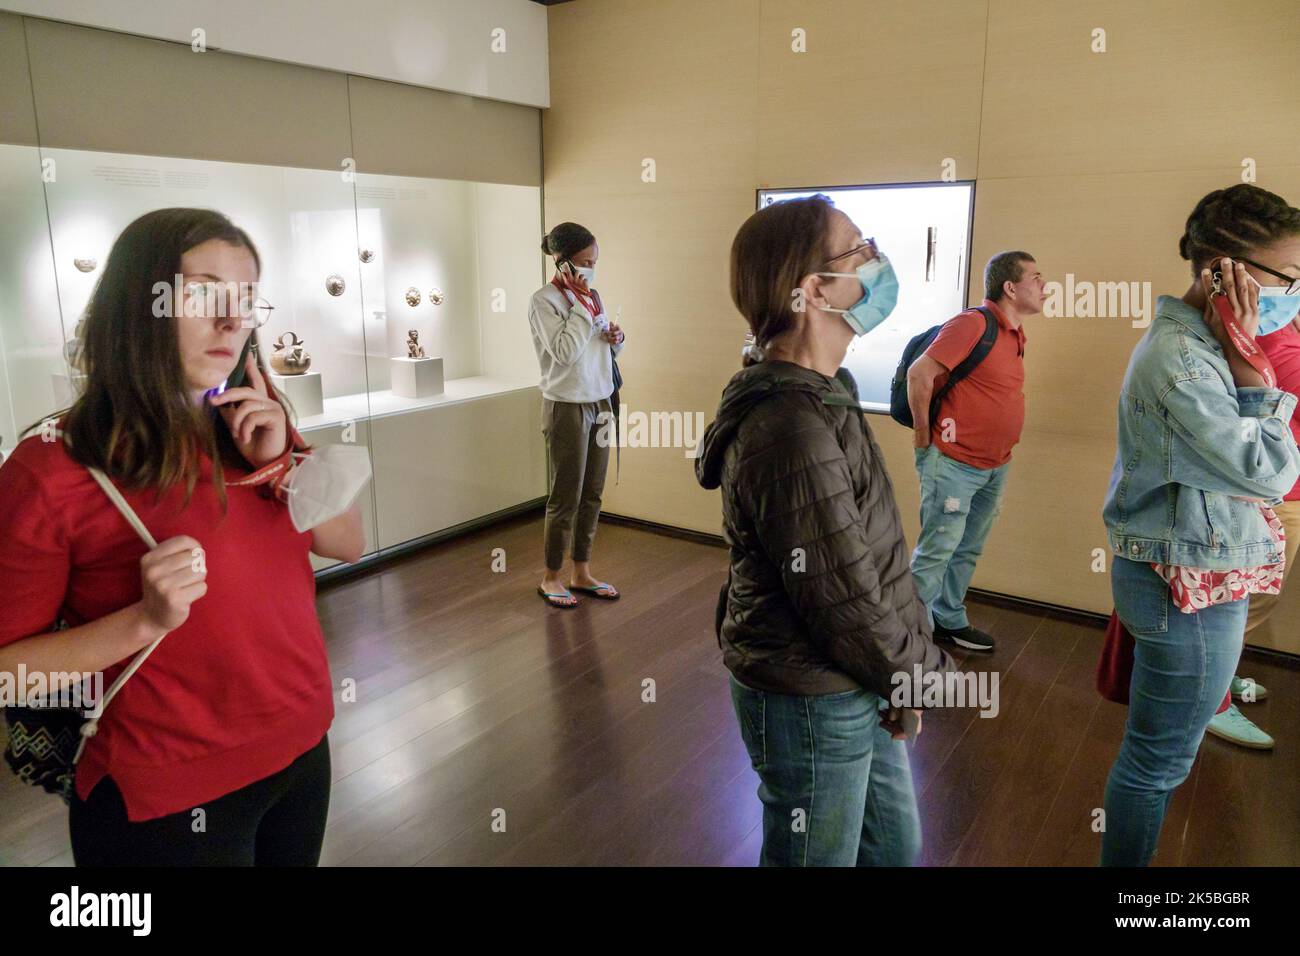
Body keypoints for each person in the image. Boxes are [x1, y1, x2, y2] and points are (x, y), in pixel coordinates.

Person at [0, 207, 366, 865]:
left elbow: (348, 543)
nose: (232, 321)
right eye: (202, 294)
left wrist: (282, 463)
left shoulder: (252, 423)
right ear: (138, 305)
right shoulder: (54, 467)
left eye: (246, 300)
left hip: (302, 747)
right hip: (163, 790)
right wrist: (143, 621)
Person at [696, 194, 955, 866]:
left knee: (892, 848)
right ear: (813, 290)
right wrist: (924, 678)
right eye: (861, 249)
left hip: (854, 670)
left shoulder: (827, 387)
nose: (877, 260)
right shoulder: (789, 426)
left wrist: (897, 676)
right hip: (810, 693)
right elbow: (841, 598)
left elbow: (869, 557)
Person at [1100, 183, 1300, 866]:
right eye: (1288, 278)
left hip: (1200, 573)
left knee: (1160, 756)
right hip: (1185, 588)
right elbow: (1269, 471)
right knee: (1156, 763)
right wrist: (1255, 373)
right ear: (1222, 272)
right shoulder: (1184, 361)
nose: (1294, 294)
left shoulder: (1205, 344)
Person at [904, 252, 1043, 652]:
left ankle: (947, 619)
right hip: (953, 463)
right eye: (1036, 278)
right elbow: (919, 374)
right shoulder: (972, 324)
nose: (1044, 286)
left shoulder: (1015, 334)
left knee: (967, 548)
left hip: (995, 465)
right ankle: (907, 638)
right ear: (1010, 287)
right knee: (937, 551)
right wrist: (922, 435)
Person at [528, 222, 625, 608]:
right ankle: (551, 577)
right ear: (562, 262)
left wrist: (616, 339)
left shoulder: (592, 296)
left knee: (592, 494)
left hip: (600, 398)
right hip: (566, 404)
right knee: (565, 495)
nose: (591, 269)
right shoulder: (544, 301)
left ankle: (581, 572)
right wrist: (583, 309)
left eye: (595, 261)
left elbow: (598, 349)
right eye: (585, 262)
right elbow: (565, 353)